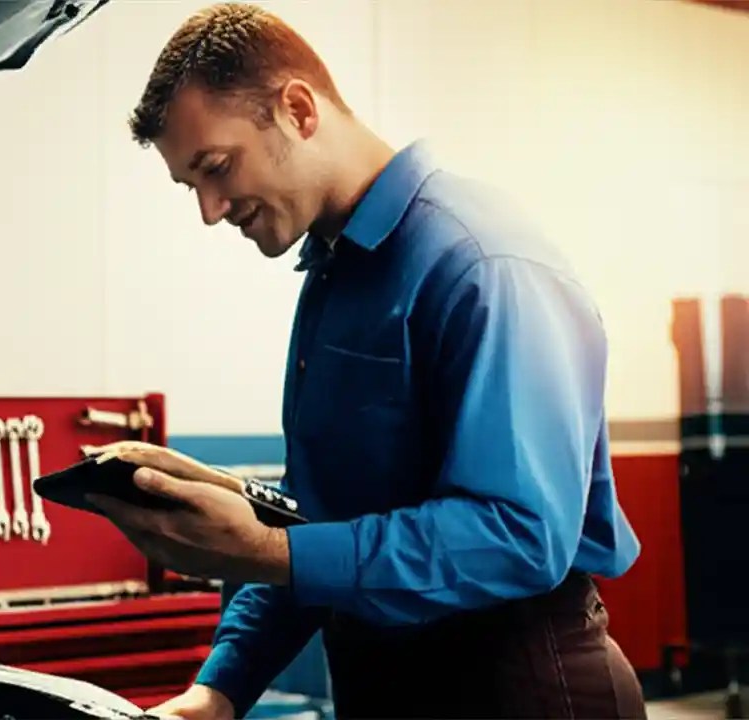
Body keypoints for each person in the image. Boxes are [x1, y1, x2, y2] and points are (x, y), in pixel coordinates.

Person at [88, 3, 649, 718]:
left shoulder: (486, 262)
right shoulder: (336, 271)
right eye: (190, 185)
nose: (209, 208)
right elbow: (319, 511)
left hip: (518, 689)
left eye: (217, 167)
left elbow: (520, 535)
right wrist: (221, 688)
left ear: (297, 109)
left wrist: (268, 551)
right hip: (385, 687)